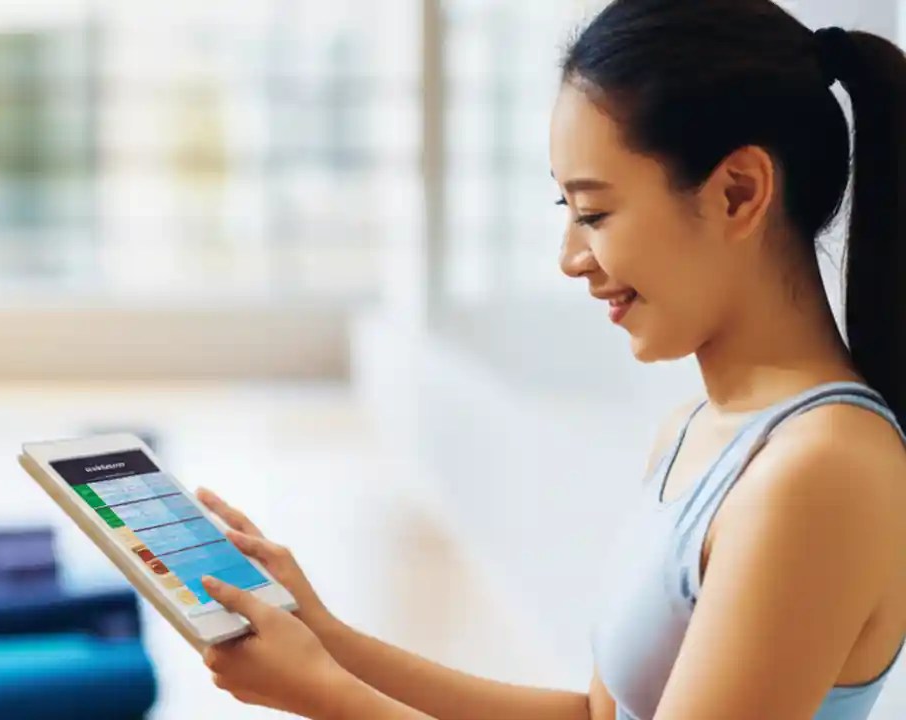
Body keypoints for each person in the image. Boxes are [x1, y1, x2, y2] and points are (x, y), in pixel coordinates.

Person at [190, 1, 906, 718]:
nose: (570, 258)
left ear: (738, 193)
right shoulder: (697, 430)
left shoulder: (824, 472)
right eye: (563, 208)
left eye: (593, 213)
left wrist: (324, 693)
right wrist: (327, 640)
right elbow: (598, 715)